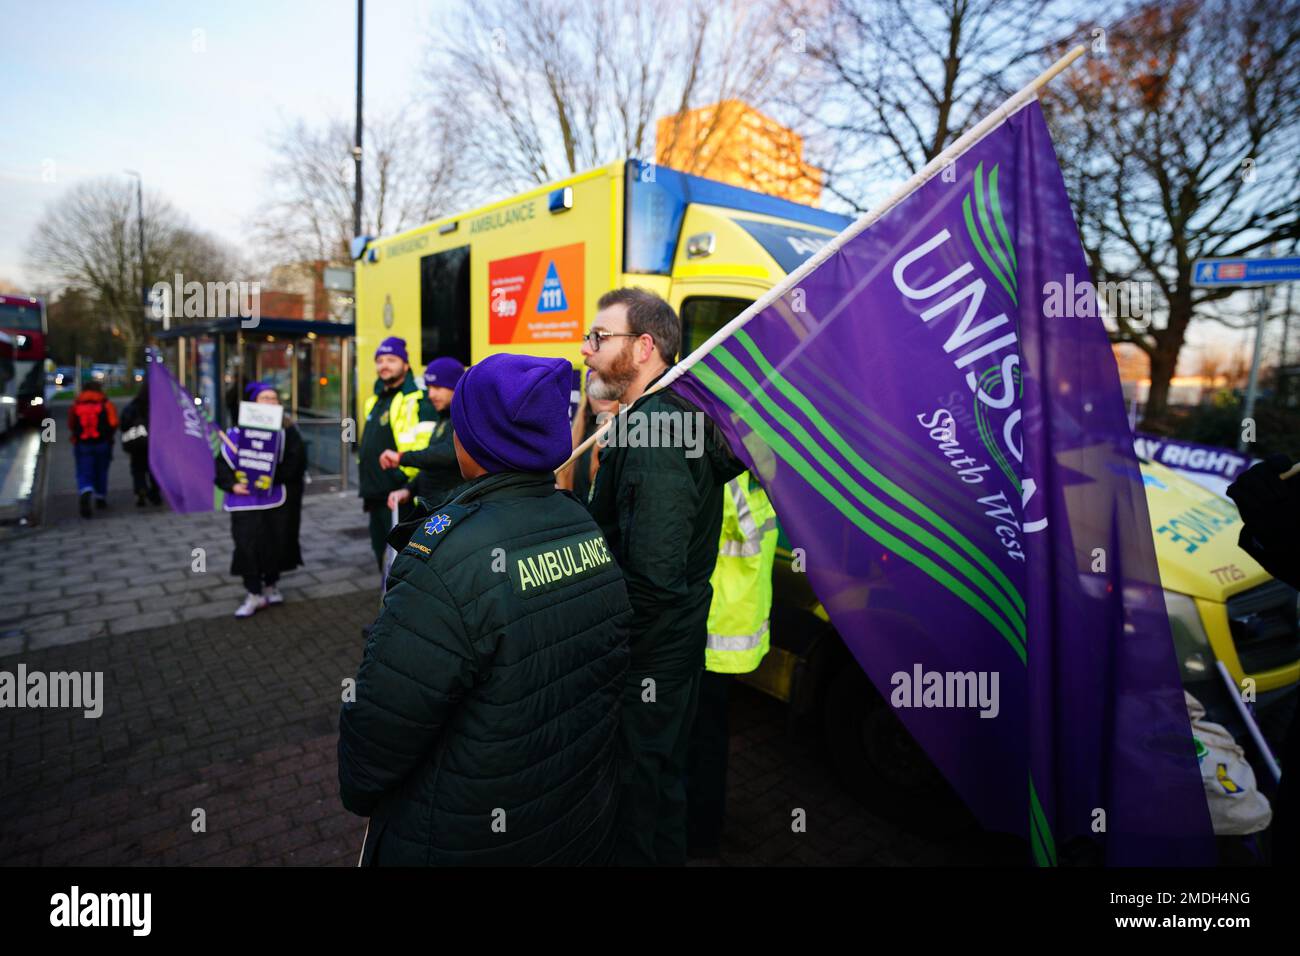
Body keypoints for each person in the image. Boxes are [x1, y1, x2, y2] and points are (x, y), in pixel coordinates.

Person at [338, 353, 632, 865]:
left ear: (475, 441)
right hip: (572, 825)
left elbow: (381, 729)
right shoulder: (583, 523)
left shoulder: (448, 560)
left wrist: (363, 793)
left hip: (461, 836)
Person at [582, 287, 743, 865]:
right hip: (664, 658)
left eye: (599, 337)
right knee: (657, 789)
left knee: (638, 805)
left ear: (644, 346)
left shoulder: (656, 433)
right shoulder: (659, 419)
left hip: (647, 661)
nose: (586, 350)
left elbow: (652, 578)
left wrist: (610, 654)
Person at [685, 472, 778, 857]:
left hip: (714, 629)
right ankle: (706, 828)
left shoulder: (728, 480)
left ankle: (699, 835)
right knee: (712, 736)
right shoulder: (761, 465)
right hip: (736, 625)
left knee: (701, 741)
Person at [213, 382, 305, 618]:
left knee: (274, 546)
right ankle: (253, 594)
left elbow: (296, 465)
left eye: (274, 398)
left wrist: (268, 479)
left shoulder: (288, 433)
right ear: (252, 403)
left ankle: (271, 585)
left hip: (275, 502)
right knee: (247, 548)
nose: (270, 402)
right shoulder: (234, 435)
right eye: (265, 398)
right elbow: (221, 467)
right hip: (244, 504)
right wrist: (233, 484)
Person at [358, 337, 436, 574]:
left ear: (405, 364)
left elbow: (427, 447)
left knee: (405, 560)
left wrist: (403, 479)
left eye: (391, 360)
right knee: (381, 554)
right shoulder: (374, 400)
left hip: (401, 495)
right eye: (380, 360)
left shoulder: (418, 399)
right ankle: (388, 601)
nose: (384, 365)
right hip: (375, 494)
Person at [381, 356, 464, 512]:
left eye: (438, 388)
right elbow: (432, 467)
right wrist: (408, 489)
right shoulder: (444, 417)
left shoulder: (464, 419)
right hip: (433, 509)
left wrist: (401, 457)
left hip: (450, 513)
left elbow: (447, 454)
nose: (430, 394)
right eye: (429, 388)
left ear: (456, 387)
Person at [556, 369, 620, 504]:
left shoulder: (624, 433)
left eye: (610, 385)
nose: (603, 393)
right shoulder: (577, 433)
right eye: (596, 387)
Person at [68, 380, 119, 518]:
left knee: (84, 470)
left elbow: (71, 423)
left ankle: (85, 489)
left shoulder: (77, 404)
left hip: (82, 444)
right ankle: (100, 497)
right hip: (103, 443)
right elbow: (114, 422)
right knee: (101, 470)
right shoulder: (105, 404)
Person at [118, 381, 162, 507]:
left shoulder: (133, 405)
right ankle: (155, 493)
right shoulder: (158, 406)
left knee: (138, 468)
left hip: (137, 443)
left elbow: (124, 424)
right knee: (154, 469)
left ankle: (140, 489)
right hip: (154, 443)